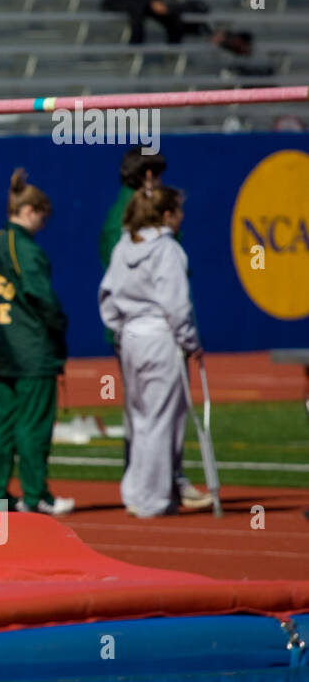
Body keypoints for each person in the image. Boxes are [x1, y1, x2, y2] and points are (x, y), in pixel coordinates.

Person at [99, 186, 211, 517]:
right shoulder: (167, 251)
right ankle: (154, 498)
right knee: (162, 419)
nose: (182, 217)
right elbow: (176, 305)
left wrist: (120, 331)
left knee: (140, 417)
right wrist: (190, 341)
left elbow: (106, 295)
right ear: (165, 215)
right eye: (178, 211)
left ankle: (136, 492)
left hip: (131, 337)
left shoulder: (123, 247)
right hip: (160, 337)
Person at [0, 169, 74, 515]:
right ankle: (36, 496)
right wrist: (60, 328)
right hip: (31, 350)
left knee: (3, 422)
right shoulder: (25, 250)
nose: (43, 225)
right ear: (30, 210)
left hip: (3, 348)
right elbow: (43, 299)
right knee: (34, 423)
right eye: (42, 217)